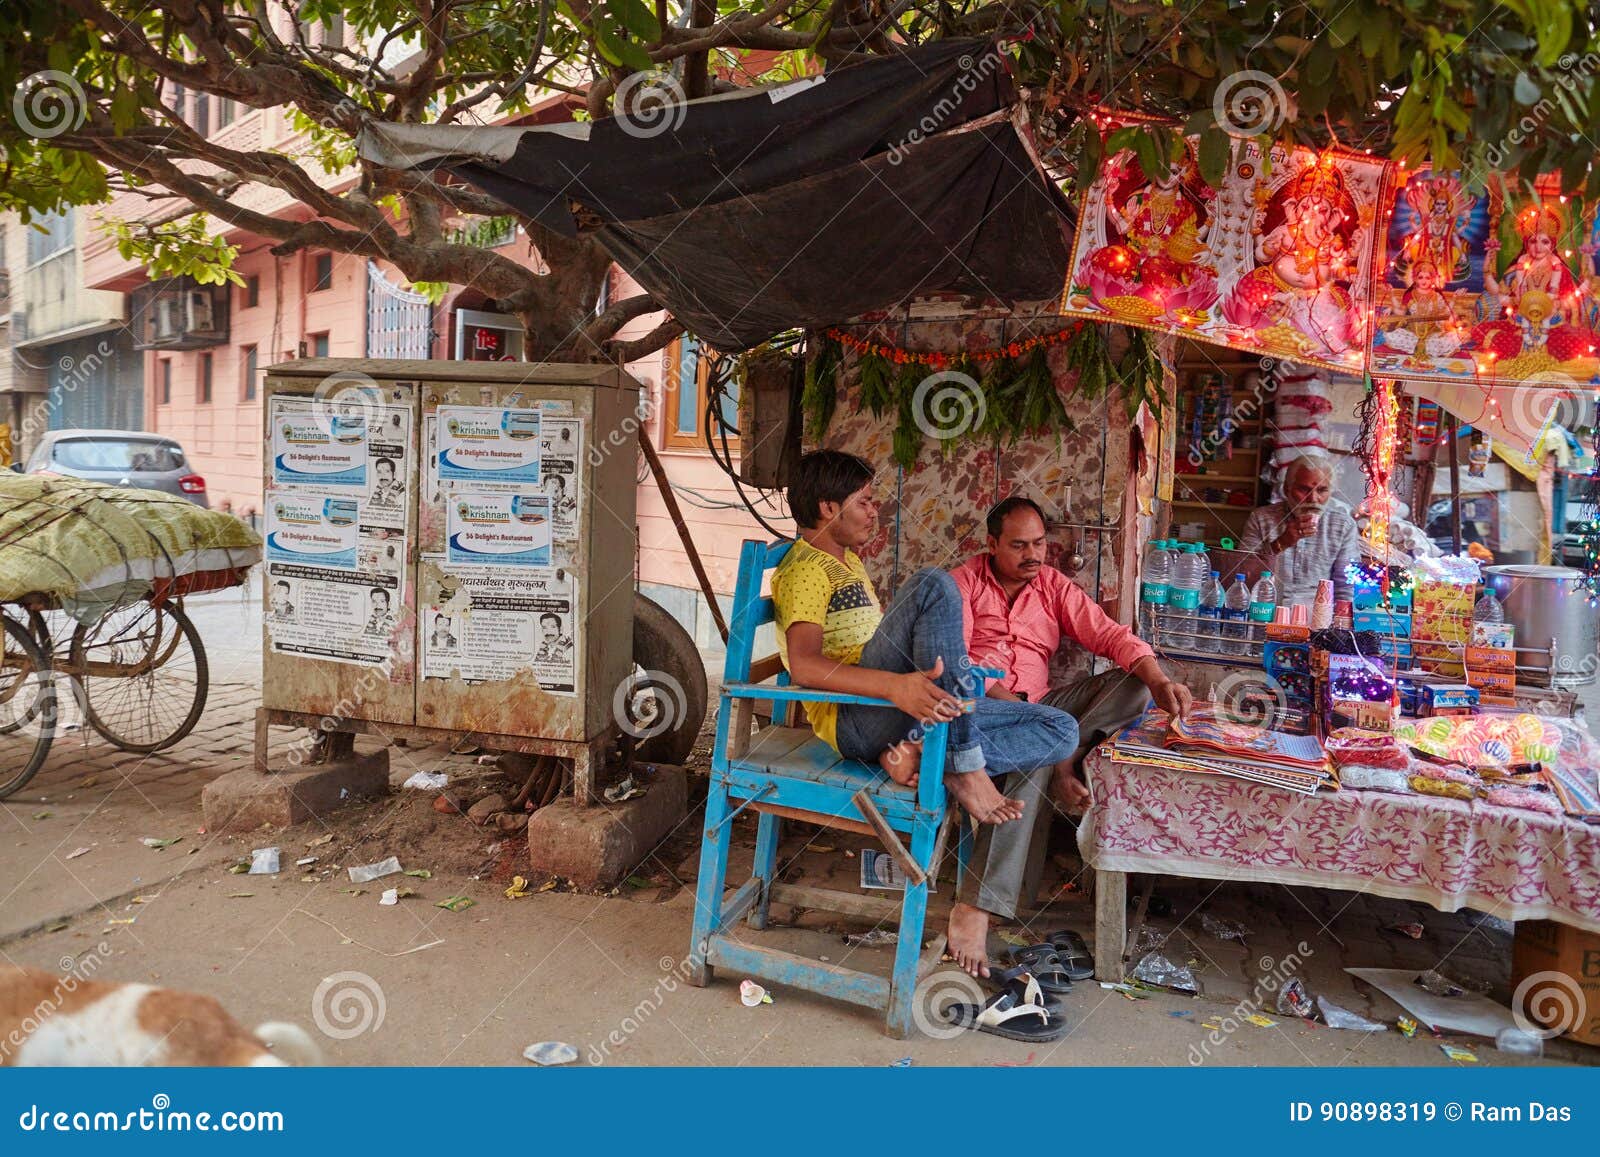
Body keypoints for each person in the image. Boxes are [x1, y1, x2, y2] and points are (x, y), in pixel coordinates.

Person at [771, 451, 1080, 977]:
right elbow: (803, 664)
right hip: (855, 722)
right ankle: (960, 763)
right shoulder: (804, 567)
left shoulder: (847, 564)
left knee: (1061, 729)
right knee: (936, 584)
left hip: (892, 720)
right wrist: (896, 685)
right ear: (827, 507)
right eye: (864, 502)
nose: (874, 513)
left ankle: (930, 749)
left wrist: (949, 689)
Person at [952, 496, 1193, 816]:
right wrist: (1025, 717)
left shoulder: (1051, 585)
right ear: (992, 544)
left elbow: (1108, 634)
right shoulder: (963, 582)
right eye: (1019, 546)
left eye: (1038, 543)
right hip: (985, 708)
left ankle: (1060, 757)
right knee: (1033, 759)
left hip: (1042, 707)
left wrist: (1160, 681)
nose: (1032, 555)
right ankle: (1056, 764)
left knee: (1136, 684)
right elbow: (958, 663)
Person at [1235, 451, 1361, 606]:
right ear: (1287, 489)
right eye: (1304, 489)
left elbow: (1347, 587)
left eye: (1322, 490)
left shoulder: (1343, 526)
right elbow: (1243, 574)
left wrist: (1336, 625)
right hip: (1266, 608)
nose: (1313, 499)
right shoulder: (1261, 518)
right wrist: (1281, 543)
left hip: (1318, 616)